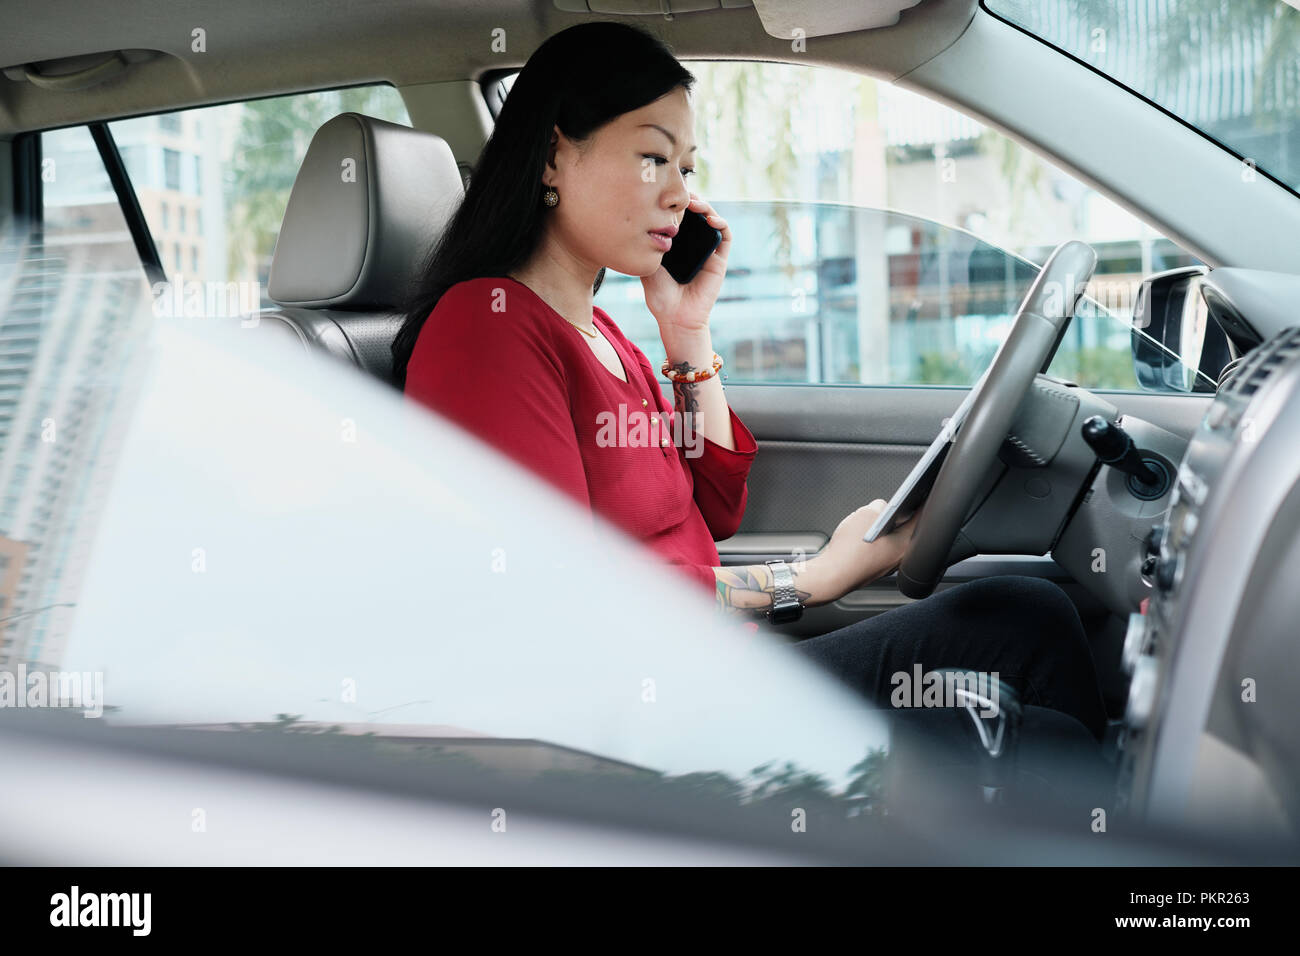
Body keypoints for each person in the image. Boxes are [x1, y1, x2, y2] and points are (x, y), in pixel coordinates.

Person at [391, 21, 1110, 750]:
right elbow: (567, 602)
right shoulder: (487, 329)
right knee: (1041, 746)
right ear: (552, 156)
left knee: (1030, 614)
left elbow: (716, 511)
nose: (678, 193)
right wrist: (812, 579)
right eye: (651, 157)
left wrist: (688, 333)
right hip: (643, 735)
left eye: (687, 168)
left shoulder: (604, 334)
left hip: (717, 682)